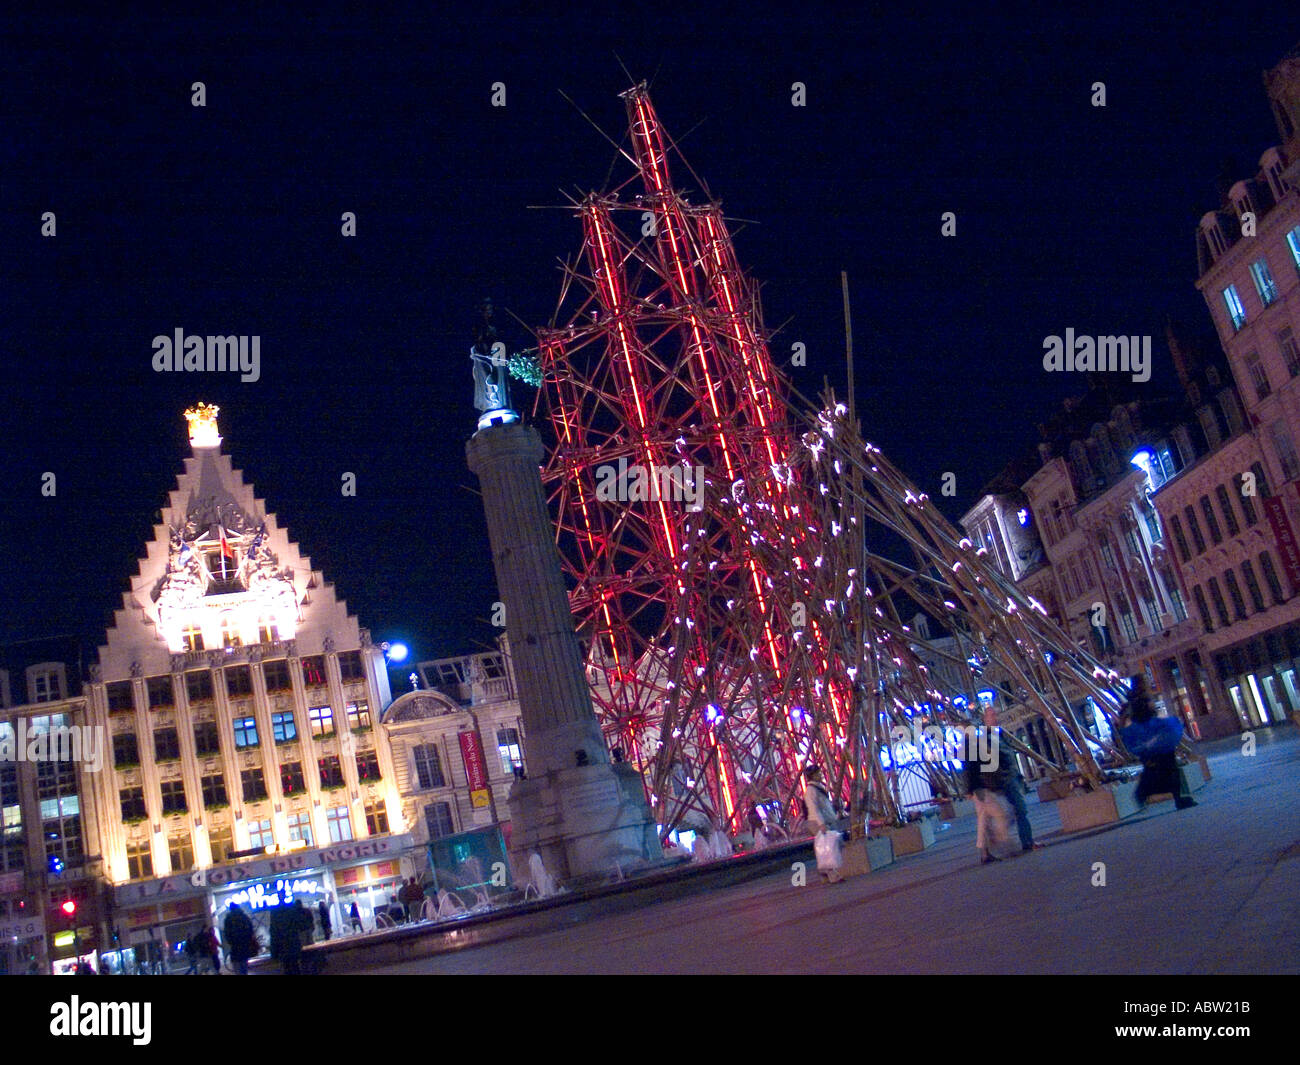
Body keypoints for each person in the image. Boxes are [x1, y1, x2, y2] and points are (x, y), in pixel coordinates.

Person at [1118, 675, 1197, 810]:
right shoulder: (1140, 699)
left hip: (1152, 740)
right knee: (1166, 769)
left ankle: (1172, 797)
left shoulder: (1134, 698)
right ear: (1142, 683)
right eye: (1145, 681)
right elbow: (1145, 715)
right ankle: (1147, 793)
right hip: (1154, 739)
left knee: (1162, 769)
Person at [984, 707, 1042, 854]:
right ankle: (1024, 841)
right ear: (986, 720)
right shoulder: (988, 739)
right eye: (991, 715)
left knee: (1015, 811)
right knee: (1019, 810)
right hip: (1005, 781)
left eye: (995, 714)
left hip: (1010, 777)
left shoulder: (999, 734)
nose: (995, 717)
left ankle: (1024, 841)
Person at [966, 752, 1015, 864]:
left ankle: (985, 852)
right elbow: (973, 770)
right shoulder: (974, 747)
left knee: (983, 822)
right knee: (1000, 814)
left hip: (978, 790)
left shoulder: (969, 748)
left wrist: (969, 789)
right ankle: (1002, 839)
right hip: (982, 790)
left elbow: (970, 771)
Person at [804, 765, 844, 882]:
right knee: (830, 848)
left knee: (830, 846)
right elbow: (814, 809)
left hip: (827, 820)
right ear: (812, 776)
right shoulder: (811, 791)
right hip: (819, 822)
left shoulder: (817, 788)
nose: (821, 775)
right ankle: (832, 875)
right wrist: (821, 824)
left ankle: (825, 873)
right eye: (818, 774)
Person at [223, 903, 255, 975]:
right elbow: (250, 930)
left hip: (235, 947)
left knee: (238, 967)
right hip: (245, 945)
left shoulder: (228, 919)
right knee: (244, 965)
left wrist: (231, 942)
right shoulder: (244, 917)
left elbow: (227, 933)